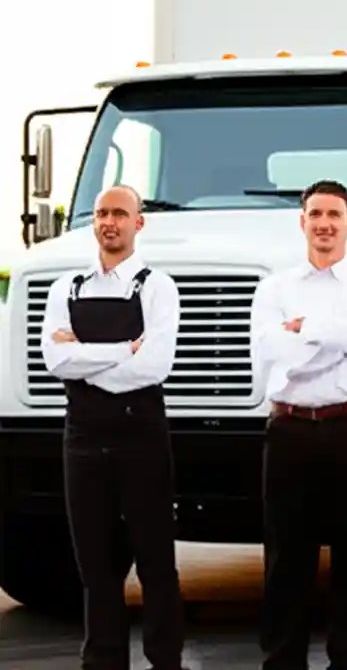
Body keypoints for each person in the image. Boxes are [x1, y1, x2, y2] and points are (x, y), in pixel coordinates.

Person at [40, 184, 187, 670]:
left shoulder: (157, 287)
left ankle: (165, 660)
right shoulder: (67, 288)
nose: (109, 222)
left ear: (138, 223)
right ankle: (102, 661)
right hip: (82, 441)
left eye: (120, 214)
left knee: (156, 562)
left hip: (141, 439)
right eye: (102, 213)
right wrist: (125, 348)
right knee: (95, 568)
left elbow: (155, 367)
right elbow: (56, 361)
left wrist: (86, 355)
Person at [250, 179, 347, 670]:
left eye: (334, 215)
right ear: (302, 222)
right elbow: (274, 352)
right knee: (287, 558)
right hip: (290, 431)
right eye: (315, 215)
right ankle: (283, 660)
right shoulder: (275, 288)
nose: (325, 224)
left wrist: (308, 329)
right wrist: (341, 339)